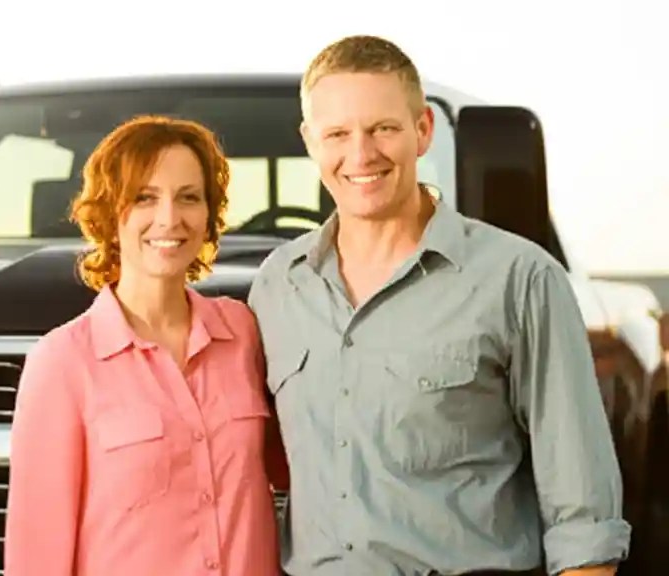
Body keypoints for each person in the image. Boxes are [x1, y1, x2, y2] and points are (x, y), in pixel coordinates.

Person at [248, 34, 631, 575]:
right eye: (337, 133)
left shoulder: (518, 279)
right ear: (311, 142)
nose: (361, 154)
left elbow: (583, 513)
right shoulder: (277, 287)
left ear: (423, 130)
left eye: (383, 128)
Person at [3, 114, 288, 575]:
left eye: (189, 197)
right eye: (144, 198)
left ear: (209, 213)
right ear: (109, 213)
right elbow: (37, 556)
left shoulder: (242, 333)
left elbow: (303, 465)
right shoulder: (62, 362)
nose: (169, 219)